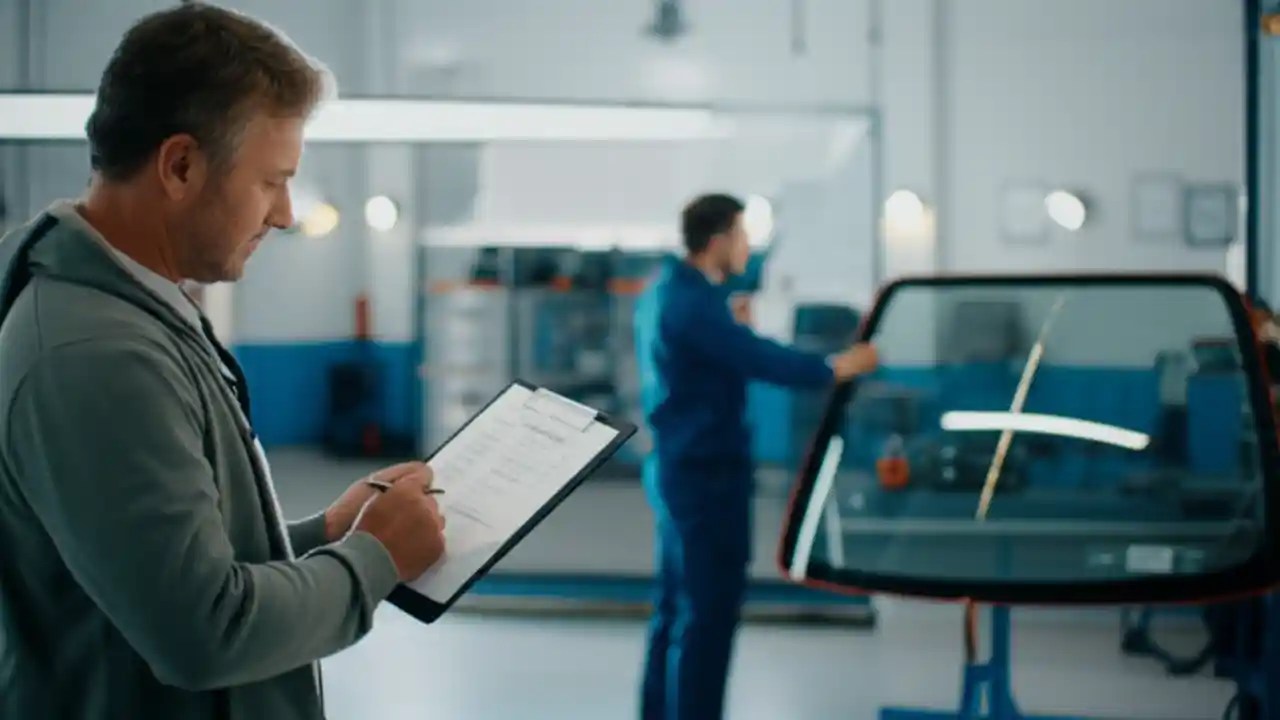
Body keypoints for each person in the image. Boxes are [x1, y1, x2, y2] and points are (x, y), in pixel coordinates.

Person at [0, 5, 446, 719]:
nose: (286, 213)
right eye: (272, 180)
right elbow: (203, 633)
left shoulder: (132, 313)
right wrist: (375, 560)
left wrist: (326, 535)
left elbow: (160, 567)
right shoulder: (96, 355)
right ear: (179, 166)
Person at [634, 193, 879, 719]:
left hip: (678, 468)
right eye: (744, 236)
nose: (749, 249)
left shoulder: (665, 292)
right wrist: (834, 367)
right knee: (708, 614)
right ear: (720, 239)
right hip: (706, 478)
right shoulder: (695, 305)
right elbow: (757, 359)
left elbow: (712, 357)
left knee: (674, 608)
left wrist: (733, 328)